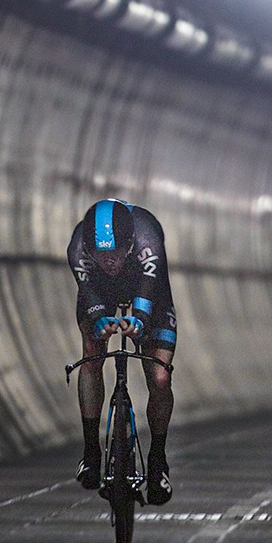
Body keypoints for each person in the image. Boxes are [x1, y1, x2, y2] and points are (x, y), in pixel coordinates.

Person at [67, 197, 176, 504]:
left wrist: (139, 319)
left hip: (147, 286)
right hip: (101, 290)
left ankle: (158, 460)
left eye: (116, 251)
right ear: (89, 250)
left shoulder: (148, 238)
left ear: (129, 245)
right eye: (102, 254)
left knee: (159, 378)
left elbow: (150, 288)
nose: (110, 260)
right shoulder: (77, 250)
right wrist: (101, 319)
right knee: (91, 354)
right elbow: (88, 294)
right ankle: (91, 451)